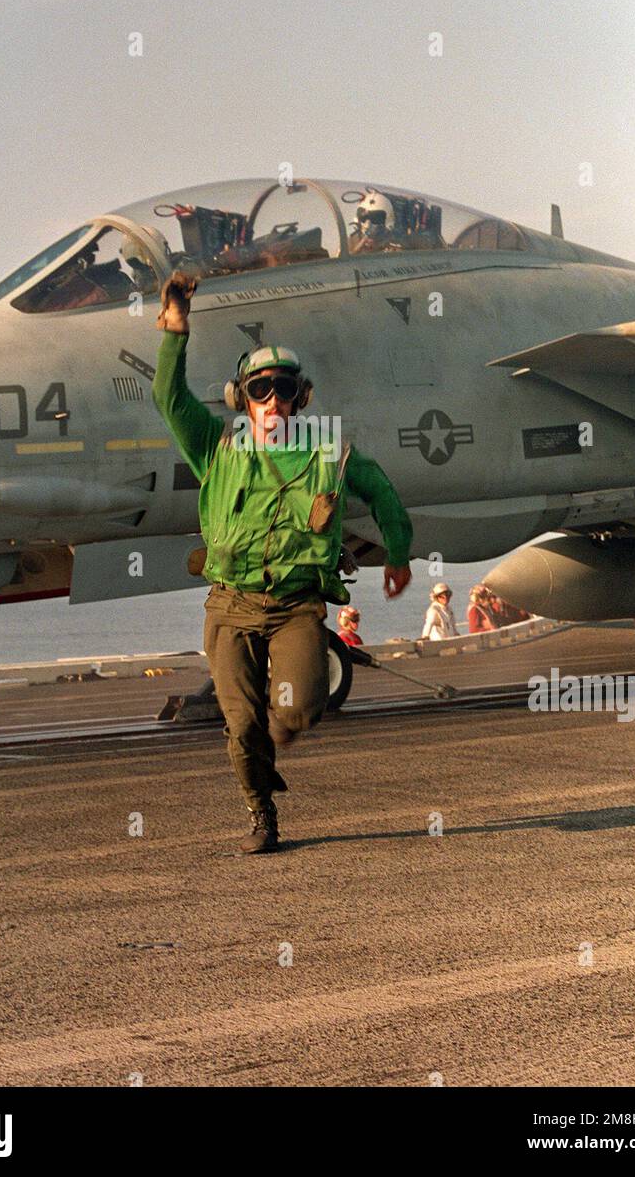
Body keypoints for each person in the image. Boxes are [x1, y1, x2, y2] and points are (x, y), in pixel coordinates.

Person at [152, 272, 413, 854]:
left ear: (301, 397)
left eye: (284, 389)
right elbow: (167, 399)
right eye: (261, 390)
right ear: (241, 398)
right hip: (230, 605)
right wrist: (175, 329)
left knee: (297, 711)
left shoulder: (329, 456)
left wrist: (398, 554)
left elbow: (383, 493)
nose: (273, 401)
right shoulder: (216, 449)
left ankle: (277, 739)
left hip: (296, 608)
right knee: (240, 728)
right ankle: (262, 813)